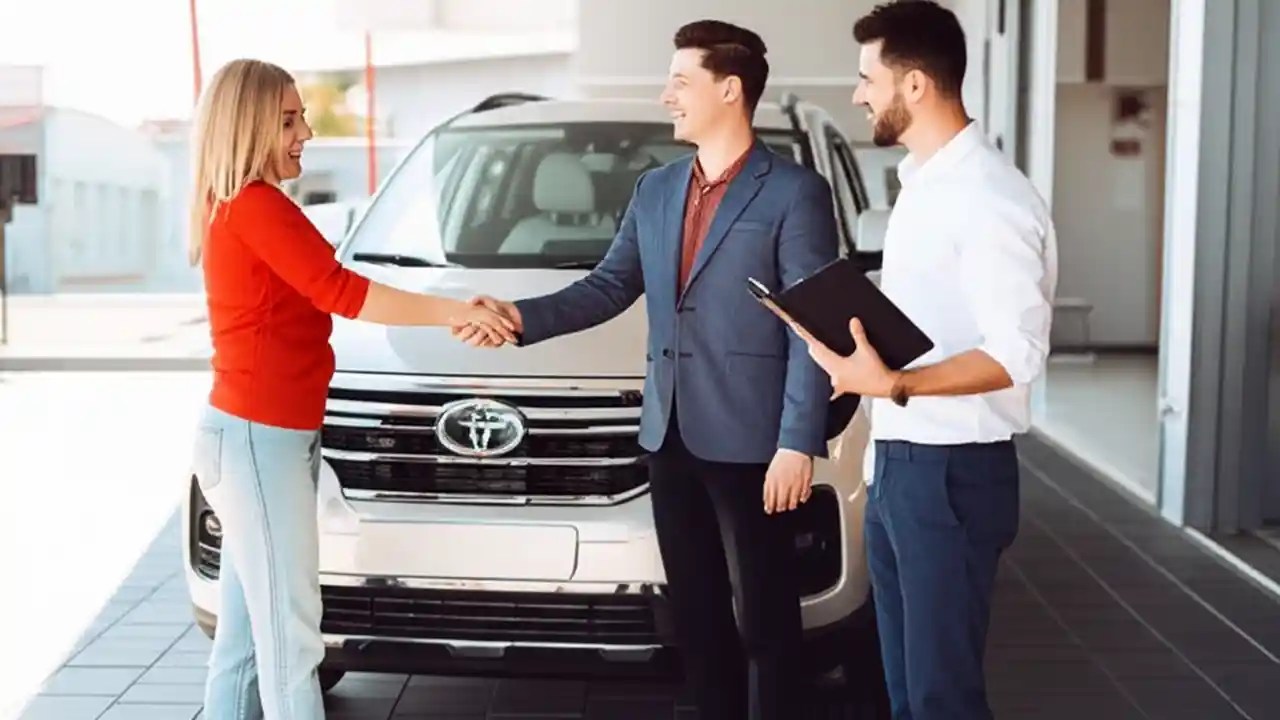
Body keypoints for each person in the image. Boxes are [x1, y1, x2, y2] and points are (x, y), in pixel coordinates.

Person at [454, 20, 838, 720]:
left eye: (680, 82)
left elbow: (813, 324)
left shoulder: (794, 192)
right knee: (697, 617)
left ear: (730, 89)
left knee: (767, 619)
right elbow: (607, 287)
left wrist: (797, 440)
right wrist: (516, 318)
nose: (667, 96)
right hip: (670, 435)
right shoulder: (656, 189)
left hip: (755, 442)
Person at [187, 58, 514, 720]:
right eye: (288, 120)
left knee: (246, 646)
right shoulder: (256, 206)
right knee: (291, 643)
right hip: (258, 443)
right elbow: (342, 292)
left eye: (302, 117)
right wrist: (456, 311)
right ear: (249, 126)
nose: (305, 132)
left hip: (260, 437)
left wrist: (454, 305)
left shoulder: (243, 204)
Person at [796, 2, 1058, 718]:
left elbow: (1017, 352)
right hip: (901, 463)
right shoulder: (923, 185)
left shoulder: (988, 197)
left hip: (951, 472)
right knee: (908, 694)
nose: (858, 95)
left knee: (943, 697)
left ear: (913, 84)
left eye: (867, 78)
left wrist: (895, 383)